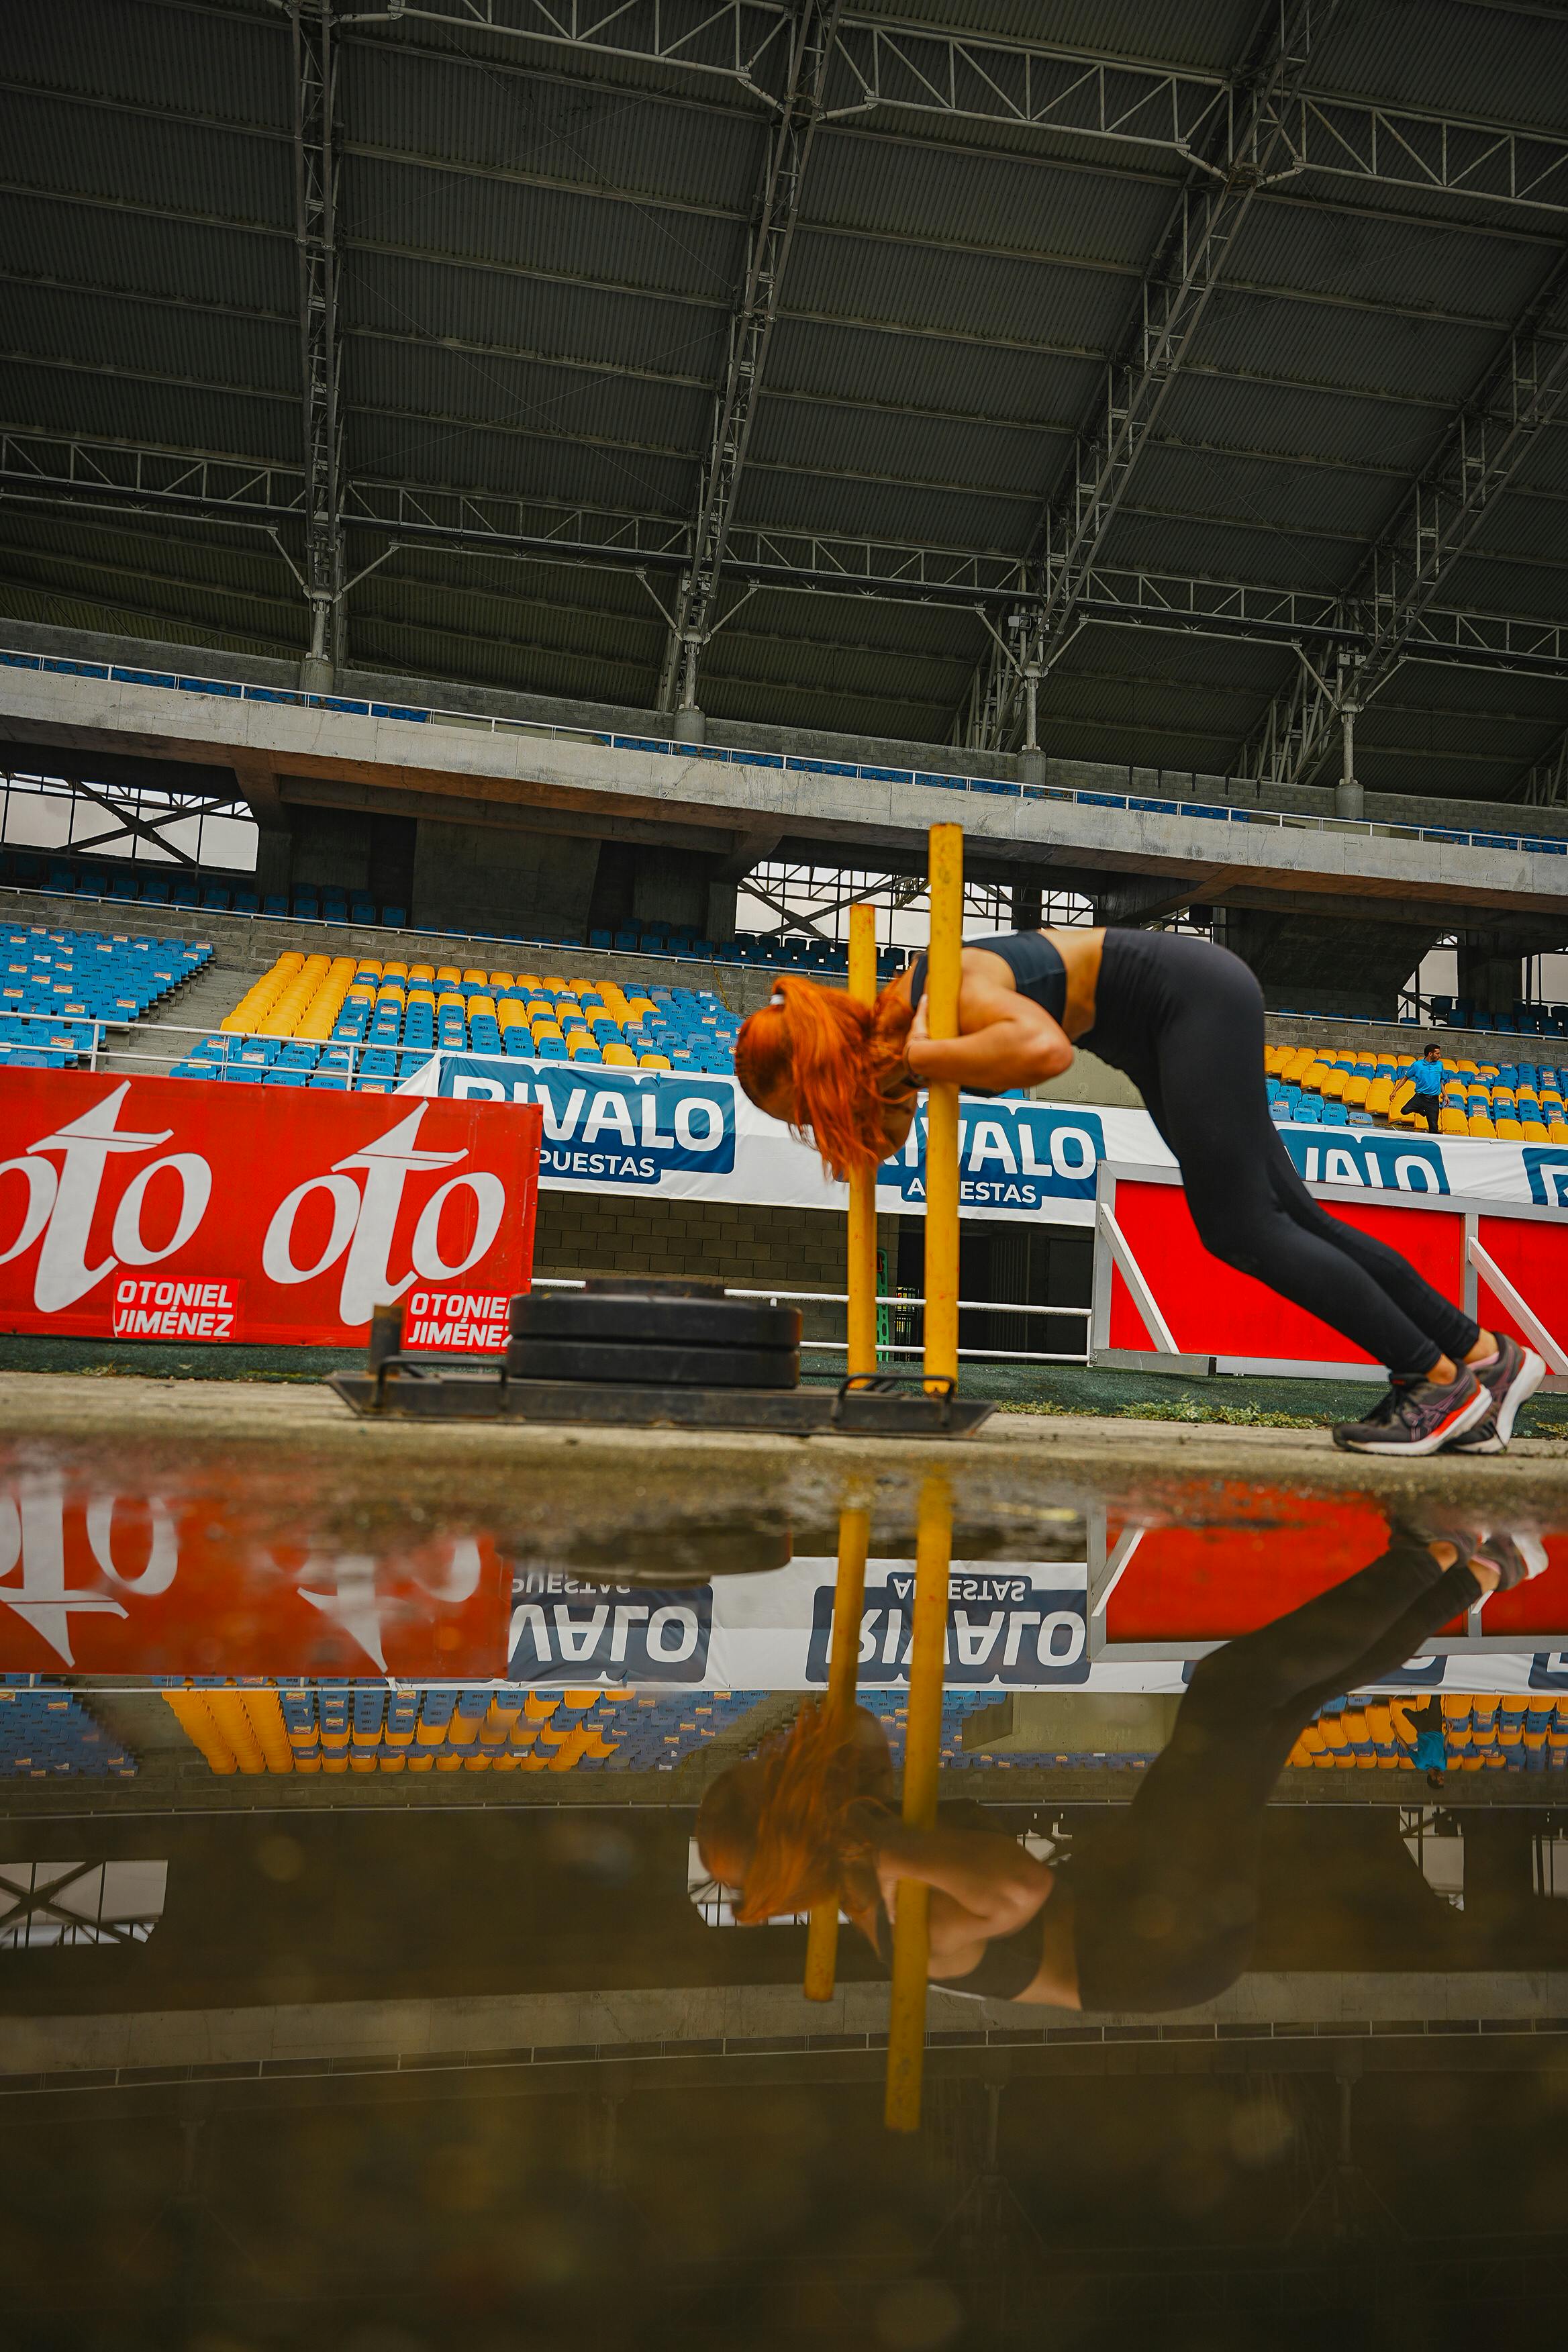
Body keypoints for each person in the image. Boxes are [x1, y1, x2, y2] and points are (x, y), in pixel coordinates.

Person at [734, 928, 1544, 1454]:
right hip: (1162, 1013)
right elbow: (908, 1113)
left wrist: (924, 1063)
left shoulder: (926, 1002)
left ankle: (1435, 1384)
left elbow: (1044, 1051)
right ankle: (1484, 1357)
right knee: (1288, 1216)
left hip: (1181, 997)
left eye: (803, 1105)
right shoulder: (901, 1033)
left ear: (816, 1066)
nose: (811, 1120)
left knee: (1240, 1229)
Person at [696, 1528, 1545, 2012]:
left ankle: (1480, 1566)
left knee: (1271, 1709)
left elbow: (853, 1727)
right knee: (1229, 1692)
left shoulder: (867, 1839)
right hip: (1156, 1946)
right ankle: (1437, 1555)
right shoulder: (893, 1906)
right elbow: (1018, 1893)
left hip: (1124, 1907)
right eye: (762, 1772)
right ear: (792, 1813)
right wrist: (882, 1849)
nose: (770, 1753)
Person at [1400, 1041, 1446, 1132]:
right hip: (1420, 1097)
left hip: (1434, 1100)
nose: (1440, 1056)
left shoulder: (1440, 1065)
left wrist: (1446, 1095)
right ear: (1430, 1054)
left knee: (1434, 1127)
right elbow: (1405, 1078)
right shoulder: (1417, 1065)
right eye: (1438, 1053)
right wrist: (1394, 1091)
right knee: (1405, 1110)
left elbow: (1440, 1081)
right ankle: (1422, 1111)